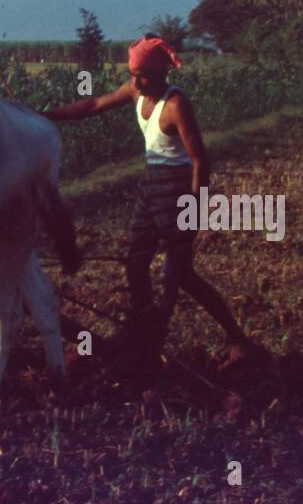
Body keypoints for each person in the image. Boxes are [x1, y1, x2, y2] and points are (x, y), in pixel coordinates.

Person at [44, 34, 259, 365]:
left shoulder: (175, 105)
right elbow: (93, 105)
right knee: (135, 264)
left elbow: (200, 160)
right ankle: (143, 325)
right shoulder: (135, 91)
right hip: (150, 187)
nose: (135, 80)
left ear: (160, 74)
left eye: (142, 75)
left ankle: (236, 340)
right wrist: (48, 115)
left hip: (176, 191)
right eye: (132, 74)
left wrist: (195, 209)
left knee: (180, 275)